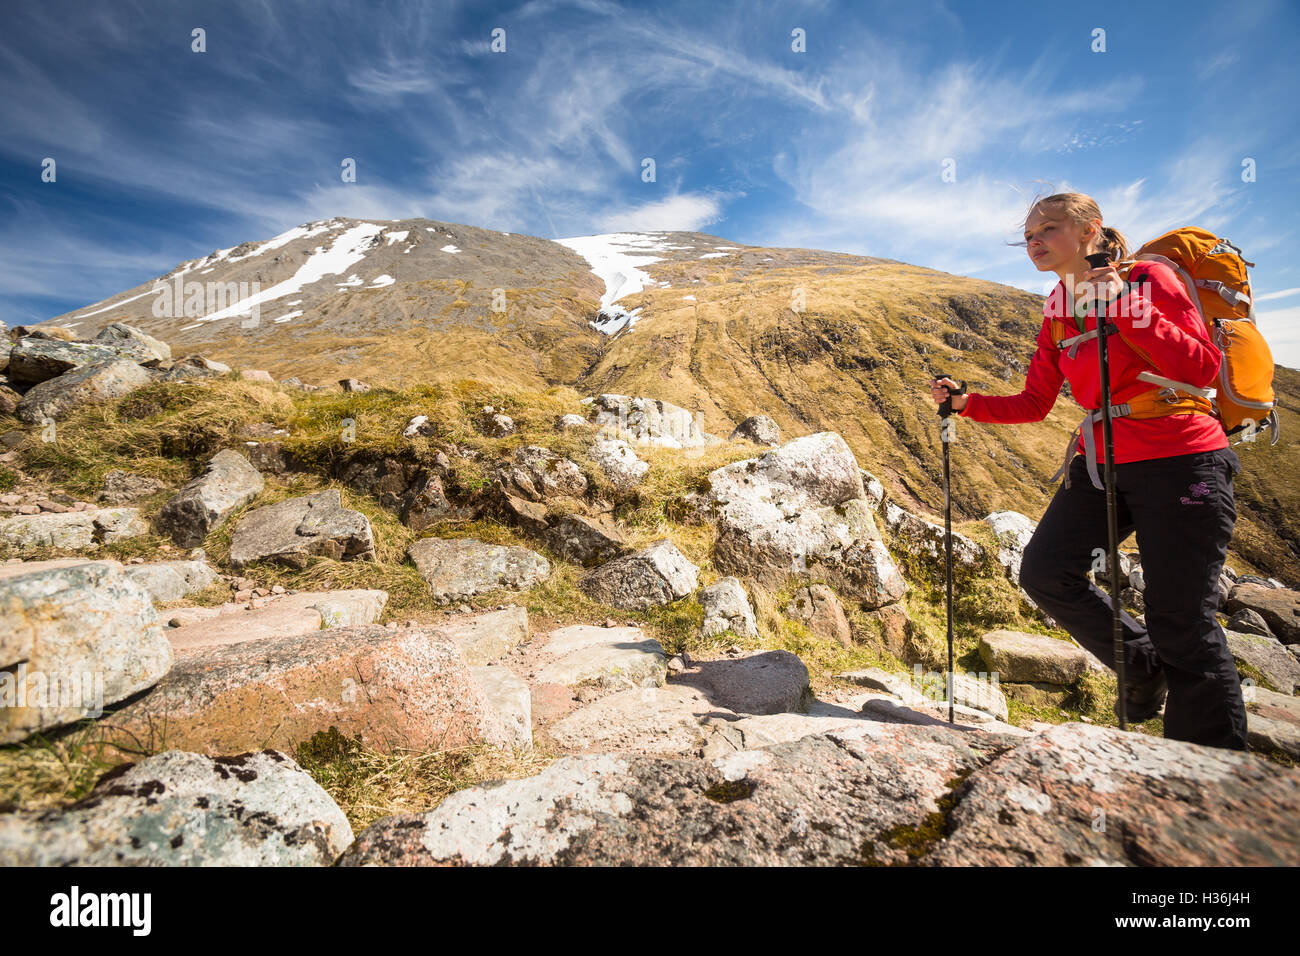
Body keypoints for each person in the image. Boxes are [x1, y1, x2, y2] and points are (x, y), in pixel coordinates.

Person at [929, 191, 1248, 751]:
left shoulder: (1146, 279)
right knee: (1047, 571)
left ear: (1089, 230)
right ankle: (1140, 665)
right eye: (1027, 235)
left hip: (1183, 460)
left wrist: (1128, 307)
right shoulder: (1057, 308)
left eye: (1047, 229)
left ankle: (1210, 773)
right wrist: (965, 402)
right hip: (1102, 466)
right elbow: (1034, 402)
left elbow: (1199, 366)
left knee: (1183, 625)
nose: (1034, 242)